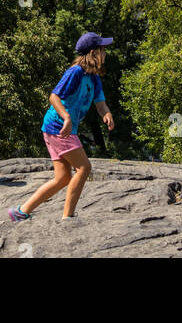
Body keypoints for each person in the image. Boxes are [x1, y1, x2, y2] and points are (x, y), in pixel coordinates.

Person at [8, 32, 115, 223]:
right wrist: (66, 117)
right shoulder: (75, 72)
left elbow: (100, 104)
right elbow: (54, 97)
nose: (105, 53)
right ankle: (68, 217)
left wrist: (106, 114)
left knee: (62, 178)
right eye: (103, 50)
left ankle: (21, 211)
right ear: (93, 52)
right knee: (84, 167)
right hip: (58, 126)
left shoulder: (94, 77)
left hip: (59, 128)